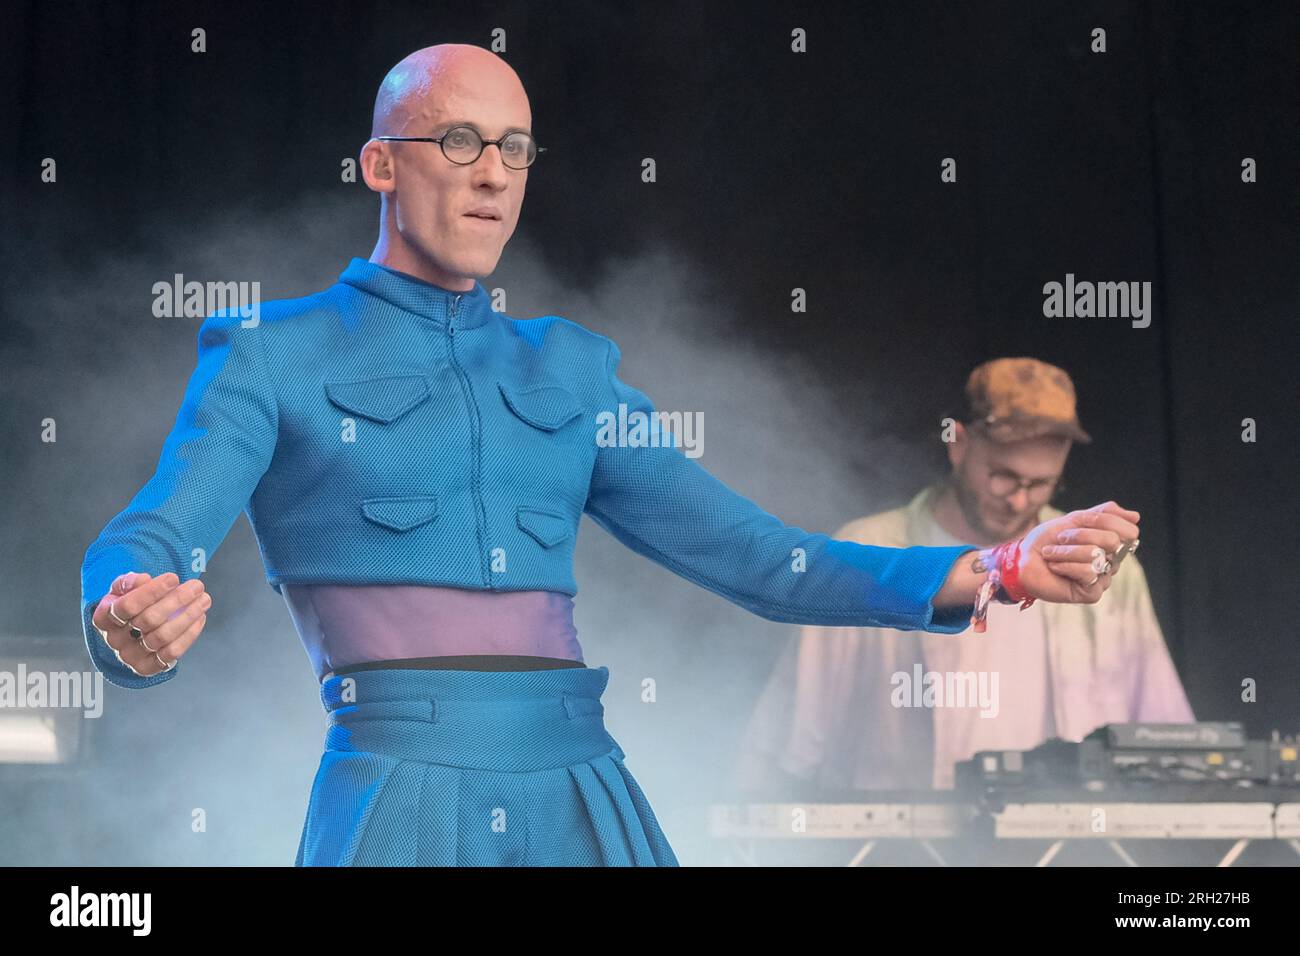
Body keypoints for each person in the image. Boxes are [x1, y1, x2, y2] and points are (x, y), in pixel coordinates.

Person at [80, 45, 1141, 866]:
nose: (492, 174)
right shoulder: (272, 351)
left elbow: (764, 560)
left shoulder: (572, 371)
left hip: (583, 780)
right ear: (378, 164)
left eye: (515, 148)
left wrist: (998, 569)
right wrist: (122, 610)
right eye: (457, 141)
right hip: (394, 782)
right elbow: (157, 527)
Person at [733, 358, 1193, 794]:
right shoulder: (867, 548)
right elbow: (782, 746)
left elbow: (1168, 741)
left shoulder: (1099, 567)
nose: (1018, 500)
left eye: (1040, 484)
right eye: (1002, 476)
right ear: (957, 443)